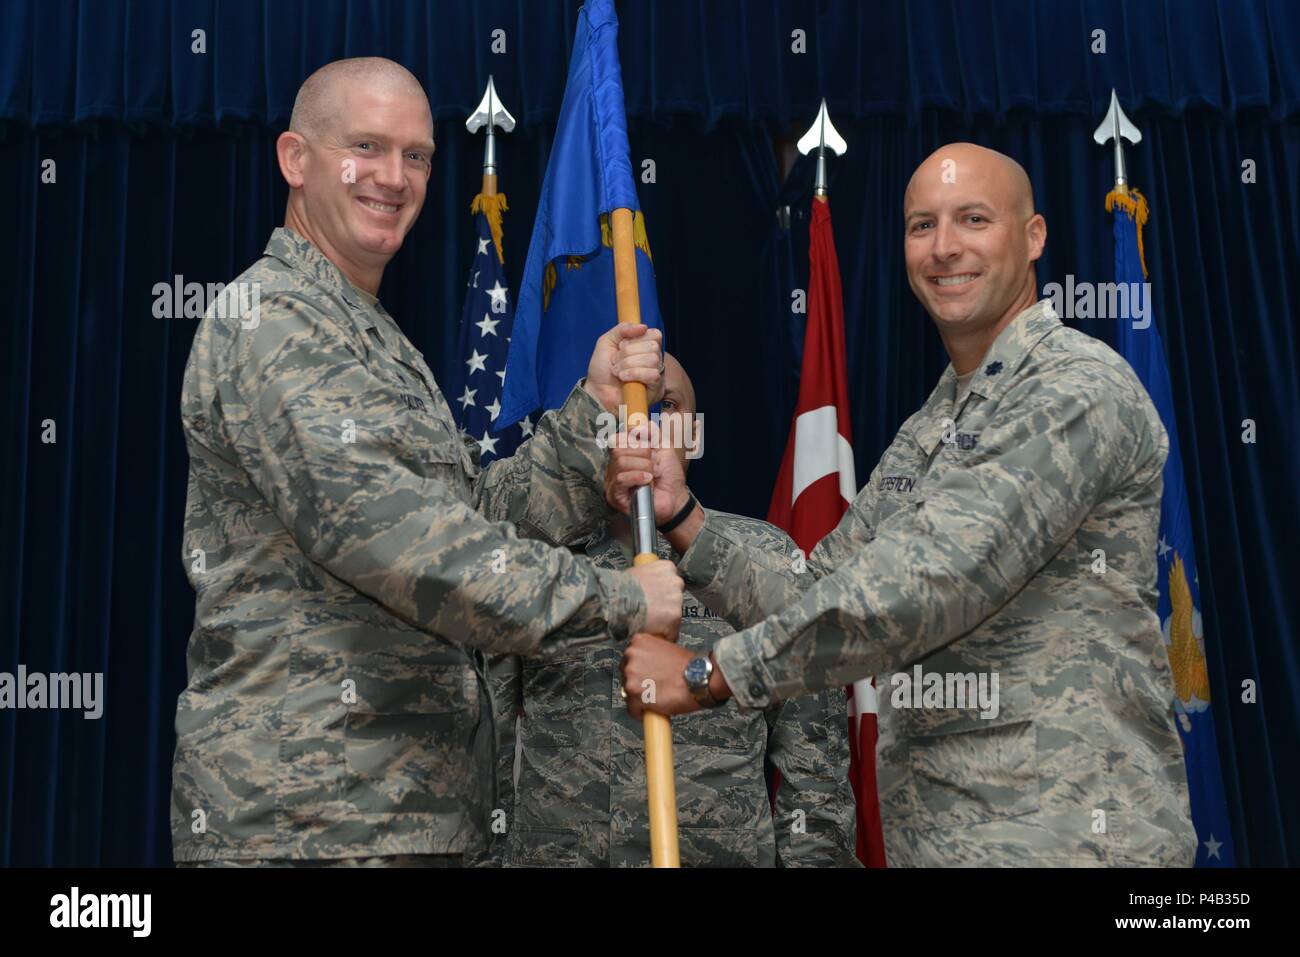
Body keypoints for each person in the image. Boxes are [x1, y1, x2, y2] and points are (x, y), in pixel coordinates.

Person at [610, 143, 1197, 867]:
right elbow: (816, 588)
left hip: (1069, 840)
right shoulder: (936, 422)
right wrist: (682, 517)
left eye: (973, 219)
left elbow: (926, 586)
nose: (945, 247)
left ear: (1034, 235)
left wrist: (707, 674)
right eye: (922, 225)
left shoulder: (1074, 388)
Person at [172, 57, 682, 867]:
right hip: (312, 821)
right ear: (295, 159)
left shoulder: (368, 332)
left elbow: (473, 520)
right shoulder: (271, 322)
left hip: (412, 814)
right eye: (366, 147)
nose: (394, 176)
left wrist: (588, 412)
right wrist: (620, 598)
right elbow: (412, 554)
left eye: (416, 155)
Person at [484, 356, 859, 867]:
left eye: (664, 407)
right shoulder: (542, 559)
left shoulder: (763, 559)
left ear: (695, 435)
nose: (640, 424)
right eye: (621, 410)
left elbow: (813, 763)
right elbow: (490, 735)